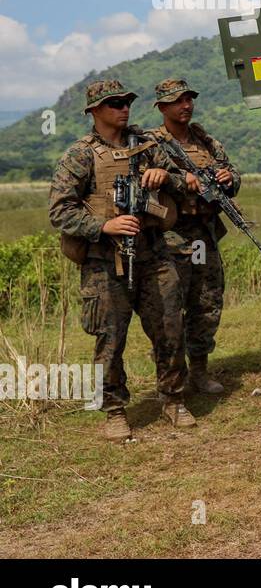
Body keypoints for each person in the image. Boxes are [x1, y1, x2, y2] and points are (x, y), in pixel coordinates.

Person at [49, 79, 195, 440]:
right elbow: (59, 210)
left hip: (153, 252)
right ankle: (114, 409)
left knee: (170, 328)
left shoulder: (148, 145)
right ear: (95, 111)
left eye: (127, 101)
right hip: (103, 261)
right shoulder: (80, 155)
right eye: (114, 103)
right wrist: (104, 225)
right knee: (109, 339)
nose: (123, 108)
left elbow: (184, 181)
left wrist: (166, 176)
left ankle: (173, 399)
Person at [146, 78, 242, 393]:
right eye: (177, 101)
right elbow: (140, 180)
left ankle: (199, 371)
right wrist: (176, 179)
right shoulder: (151, 144)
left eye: (188, 99)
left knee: (206, 301)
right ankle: (172, 379)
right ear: (161, 107)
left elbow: (231, 174)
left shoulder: (206, 141)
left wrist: (229, 179)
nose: (185, 105)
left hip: (203, 235)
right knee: (170, 309)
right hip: (170, 237)